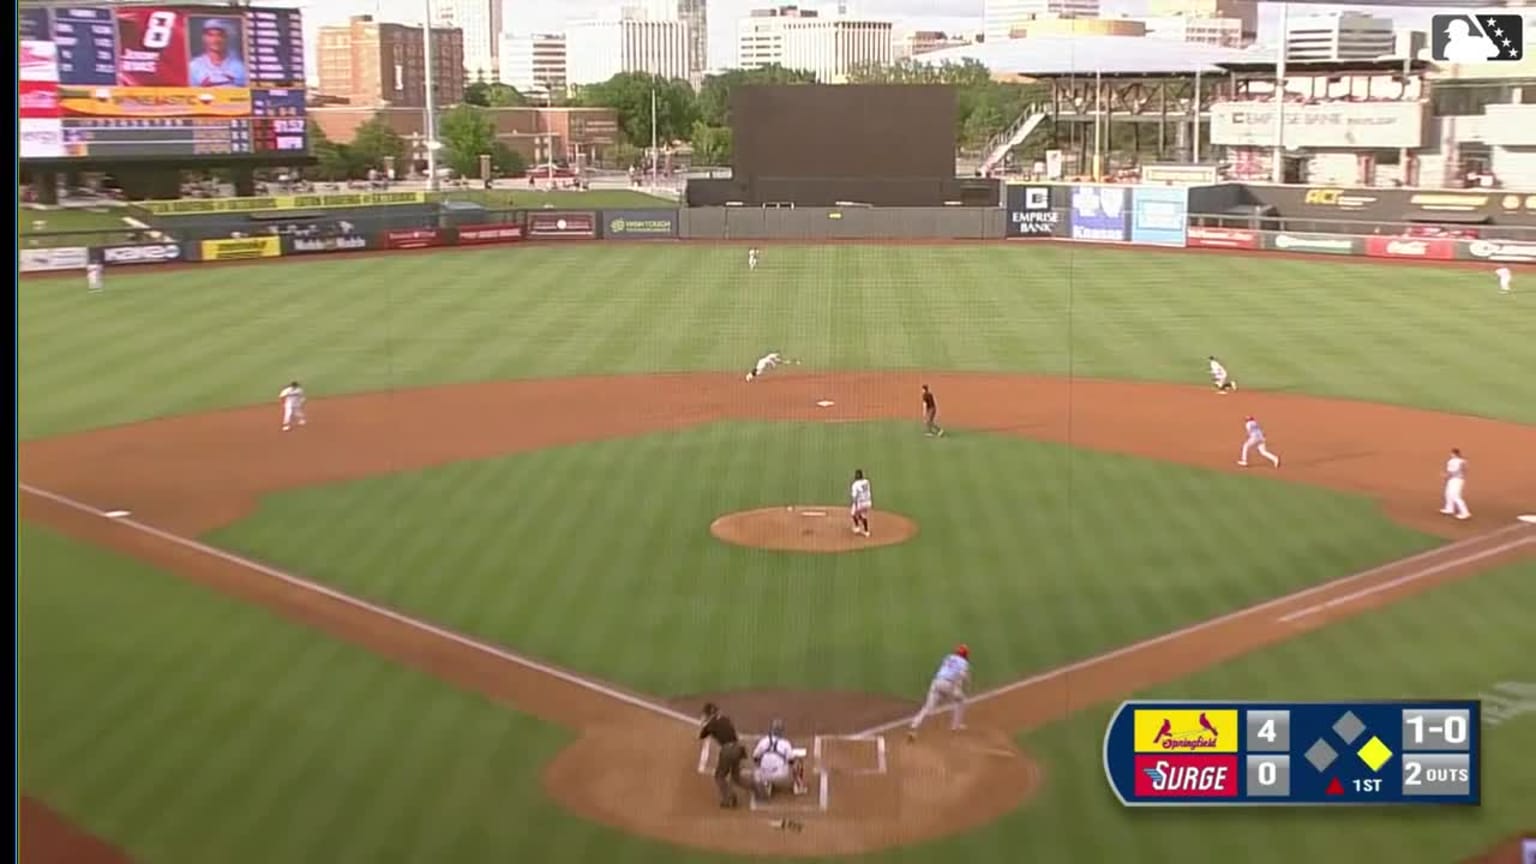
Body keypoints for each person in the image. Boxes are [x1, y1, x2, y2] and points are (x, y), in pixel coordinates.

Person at [908, 644, 971, 741]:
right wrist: (964, 683)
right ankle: (955, 725)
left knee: (928, 707)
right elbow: (961, 675)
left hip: (936, 682)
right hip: (948, 685)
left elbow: (948, 669)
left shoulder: (949, 657)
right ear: (966, 655)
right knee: (961, 700)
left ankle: (914, 724)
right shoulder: (963, 662)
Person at [699, 702, 753, 808]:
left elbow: (701, 736)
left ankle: (729, 799)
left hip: (728, 751)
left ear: (708, 714)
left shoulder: (710, 724)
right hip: (739, 748)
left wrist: (703, 723)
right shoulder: (725, 718)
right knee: (736, 777)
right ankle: (757, 788)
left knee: (719, 776)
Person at [751, 718, 808, 800]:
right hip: (780, 775)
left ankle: (766, 782)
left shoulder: (763, 741)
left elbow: (755, 757)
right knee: (798, 761)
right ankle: (798, 787)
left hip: (762, 774)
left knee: (758, 762)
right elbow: (791, 760)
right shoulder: (785, 743)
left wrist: (762, 764)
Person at [188, 19, 248, 87]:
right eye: (211, 35)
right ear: (204, 38)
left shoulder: (239, 66)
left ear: (226, 38)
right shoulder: (193, 66)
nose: (215, 40)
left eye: (220, 35)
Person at [1440, 448, 1471, 520]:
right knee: (1448, 493)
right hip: (1456, 480)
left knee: (1455, 496)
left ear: (1454, 454)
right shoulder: (1463, 461)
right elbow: (1465, 469)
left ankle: (1465, 513)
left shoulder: (1452, 461)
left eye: (1451, 453)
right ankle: (1449, 509)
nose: (1450, 455)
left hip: (1456, 480)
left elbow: (1452, 472)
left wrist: (1445, 475)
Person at [849, 469, 872, 537]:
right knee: (864, 515)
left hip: (860, 503)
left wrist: (856, 505)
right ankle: (866, 531)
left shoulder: (855, 484)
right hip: (868, 502)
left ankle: (857, 527)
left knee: (853, 514)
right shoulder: (867, 482)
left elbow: (854, 496)